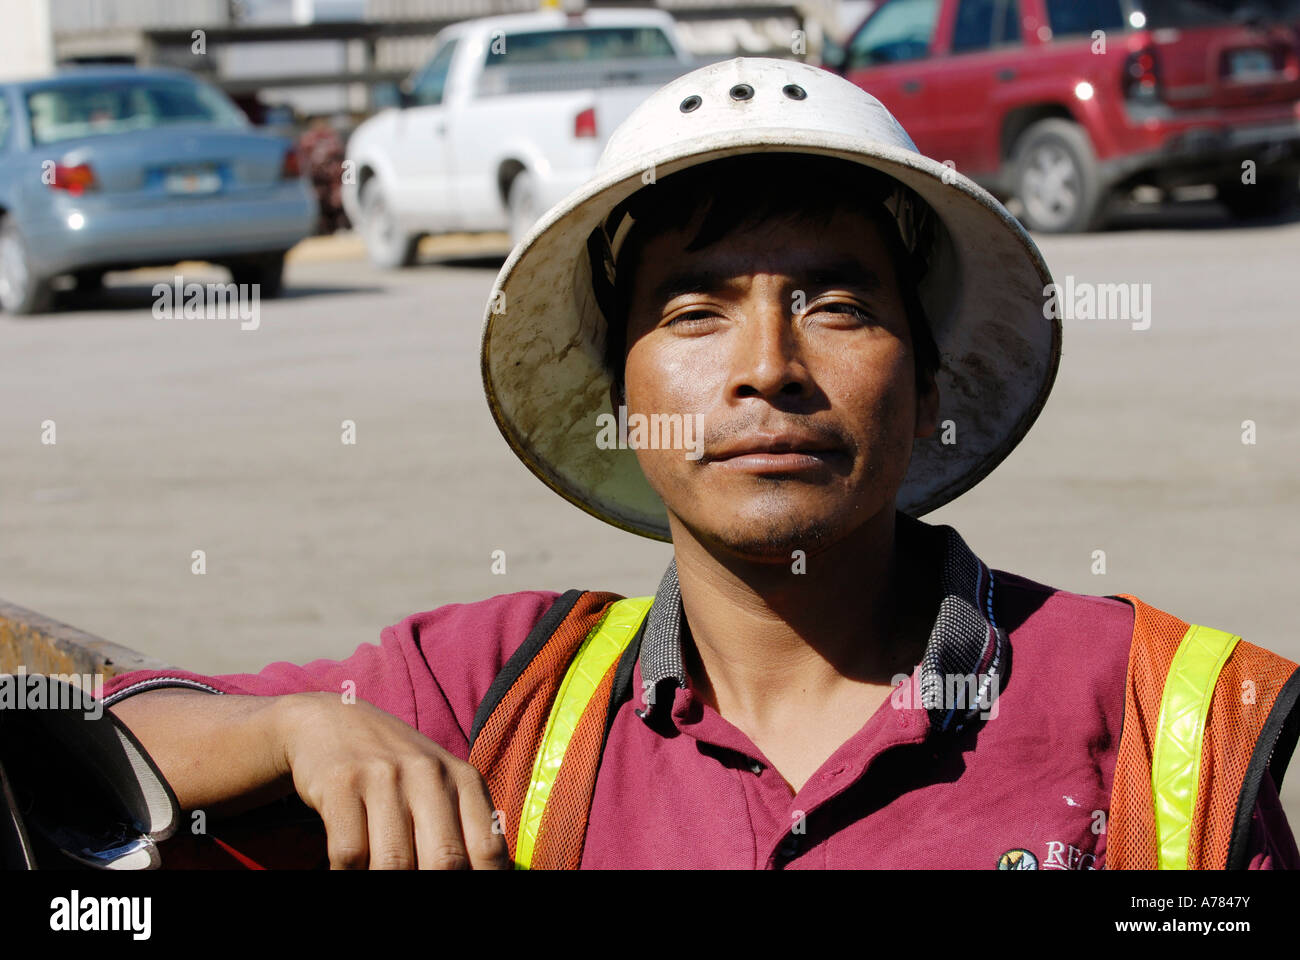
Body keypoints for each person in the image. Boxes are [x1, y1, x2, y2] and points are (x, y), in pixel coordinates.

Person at [102, 58, 1300, 870]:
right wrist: (301, 730)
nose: (767, 367)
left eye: (836, 305)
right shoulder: (495, 690)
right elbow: (90, 730)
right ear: (616, 400)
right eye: (692, 314)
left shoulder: (1153, 720)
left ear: (926, 384)